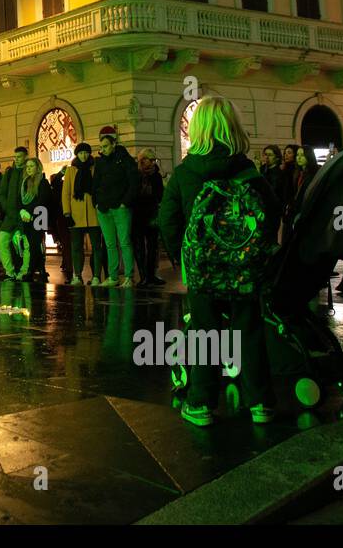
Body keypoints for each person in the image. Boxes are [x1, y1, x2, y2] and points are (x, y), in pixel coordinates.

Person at [158, 95, 280, 428]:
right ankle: (261, 403)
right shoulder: (248, 170)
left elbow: (167, 219)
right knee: (249, 330)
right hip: (243, 269)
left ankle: (201, 404)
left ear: (197, 129)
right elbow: (272, 213)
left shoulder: (185, 173)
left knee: (204, 333)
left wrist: (186, 260)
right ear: (233, 127)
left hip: (203, 270)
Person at [93, 125, 140, 287]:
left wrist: (124, 202)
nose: (103, 149)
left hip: (120, 207)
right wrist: (98, 203)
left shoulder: (125, 160)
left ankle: (128, 276)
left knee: (124, 242)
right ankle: (113, 276)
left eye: (105, 146)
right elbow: (96, 183)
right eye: (101, 147)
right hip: (105, 208)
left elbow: (134, 182)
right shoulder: (100, 163)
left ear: (113, 144)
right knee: (110, 244)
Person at [62, 143, 102, 285]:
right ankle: (77, 275)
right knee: (77, 247)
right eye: (80, 153)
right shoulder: (71, 171)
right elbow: (66, 193)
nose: (83, 155)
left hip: (94, 214)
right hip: (76, 215)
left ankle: (96, 275)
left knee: (97, 247)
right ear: (76, 154)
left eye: (86, 153)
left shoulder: (95, 168)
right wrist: (67, 213)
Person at [134, 149, 167, 287]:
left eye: (154, 160)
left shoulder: (156, 175)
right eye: (150, 159)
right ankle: (144, 276)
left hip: (152, 212)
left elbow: (160, 195)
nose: (153, 162)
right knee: (140, 246)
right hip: (138, 213)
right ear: (143, 160)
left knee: (153, 246)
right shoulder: (136, 175)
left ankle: (151, 275)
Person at [17, 158, 53, 282]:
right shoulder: (25, 182)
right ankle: (39, 269)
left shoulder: (43, 182)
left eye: (31, 166)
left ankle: (33, 270)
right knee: (32, 245)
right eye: (27, 166)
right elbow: (20, 199)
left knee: (36, 244)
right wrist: (22, 211)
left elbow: (43, 200)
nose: (29, 169)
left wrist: (30, 212)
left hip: (39, 216)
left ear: (38, 167)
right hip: (26, 217)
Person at [0, 147, 29, 280]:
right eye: (15, 157)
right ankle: (10, 271)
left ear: (25, 157)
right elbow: (2, 193)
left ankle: (23, 271)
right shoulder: (9, 173)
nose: (16, 159)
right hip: (11, 215)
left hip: (23, 215)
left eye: (19, 156)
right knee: (2, 241)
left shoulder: (28, 171)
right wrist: (7, 208)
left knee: (27, 244)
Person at [48, 165, 71, 278]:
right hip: (62, 218)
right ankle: (67, 265)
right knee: (66, 244)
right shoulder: (60, 186)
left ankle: (67, 265)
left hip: (60, 219)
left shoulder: (58, 187)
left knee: (65, 243)